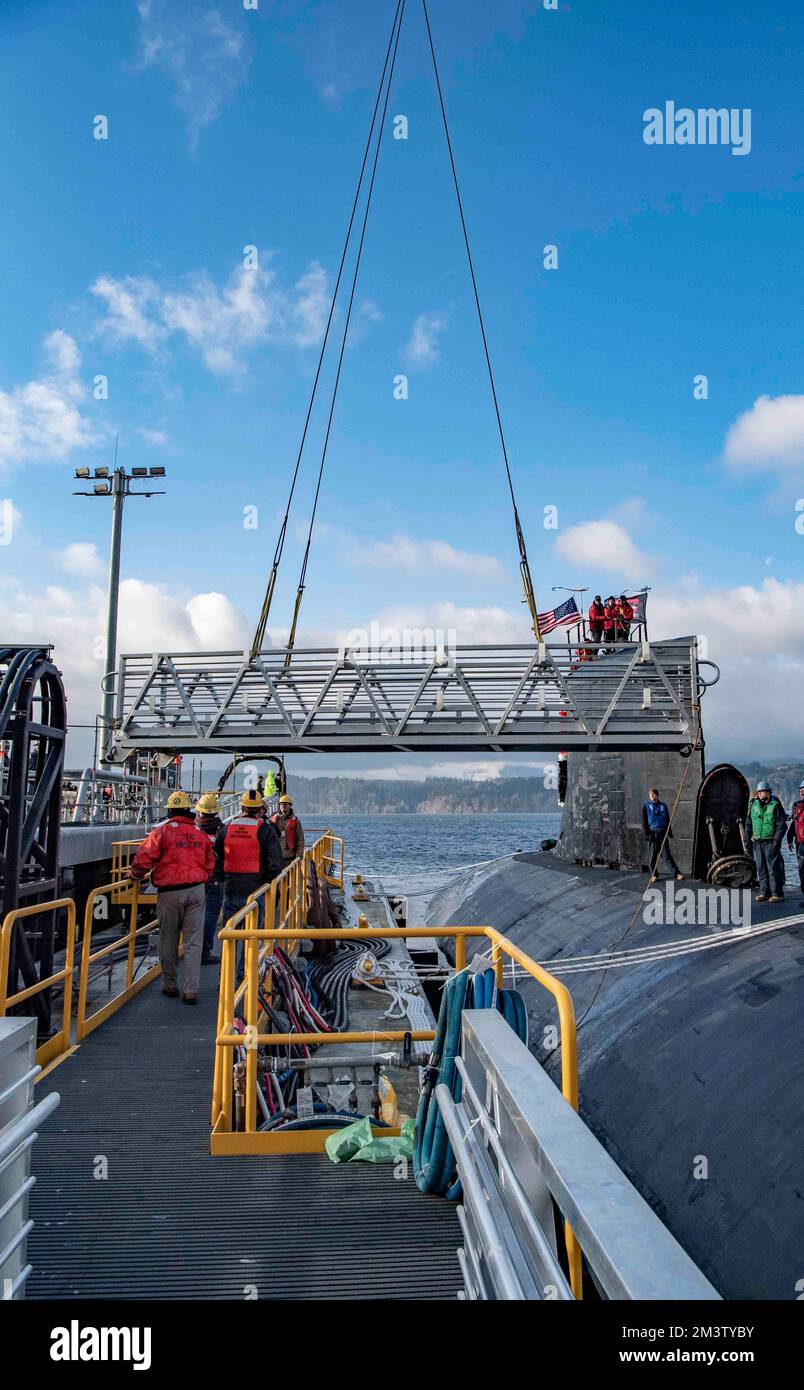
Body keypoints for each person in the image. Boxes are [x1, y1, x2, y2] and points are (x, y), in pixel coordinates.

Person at [127, 790, 214, 1004]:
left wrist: (135, 875)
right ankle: (191, 990)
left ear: (169, 810)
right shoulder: (200, 834)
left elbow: (144, 858)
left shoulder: (162, 832)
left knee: (169, 939)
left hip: (169, 892)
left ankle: (170, 984)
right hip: (196, 890)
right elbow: (210, 863)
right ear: (189, 810)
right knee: (194, 942)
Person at [216, 789, 283, 980]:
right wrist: (267, 881)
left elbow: (217, 857)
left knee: (230, 936)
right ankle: (243, 977)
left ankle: (225, 976)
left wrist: (223, 877)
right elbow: (275, 862)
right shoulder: (265, 830)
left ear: (242, 807)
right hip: (255, 890)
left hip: (231, 887)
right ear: (260, 809)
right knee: (251, 936)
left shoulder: (227, 828)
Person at [745, 779, 787, 903]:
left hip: (770, 842)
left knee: (773, 868)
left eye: (768, 791)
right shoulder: (753, 805)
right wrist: (747, 839)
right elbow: (749, 823)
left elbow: (781, 825)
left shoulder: (775, 805)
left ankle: (777, 893)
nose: (766, 793)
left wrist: (776, 841)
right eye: (763, 791)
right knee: (761, 868)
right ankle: (764, 892)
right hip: (757, 842)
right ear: (758, 793)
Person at [196, 792, 224, 964]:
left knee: (193, 914)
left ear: (200, 812)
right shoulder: (222, 831)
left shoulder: (193, 830)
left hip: (195, 878)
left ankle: (192, 949)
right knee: (211, 914)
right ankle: (205, 952)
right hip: (215, 878)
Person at [642, 788, 684, 879]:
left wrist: (669, 832)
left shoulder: (663, 806)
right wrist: (647, 834)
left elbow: (667, 819)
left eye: (653, 794)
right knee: (652, 858)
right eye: (650, 795)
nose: (652, 796)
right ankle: (654, 875)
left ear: (657, 795)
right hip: (653, 834)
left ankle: (676, 873)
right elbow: (644, 821)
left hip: (662, 834)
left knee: (667, 856)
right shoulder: (646, 805)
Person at [271, 792, 305, 865]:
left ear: (290, 806)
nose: (283, 805)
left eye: (286, 804)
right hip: (276, 857)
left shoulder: (295, 821)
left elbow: (300, 840)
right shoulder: (273, 820)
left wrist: (299, 856)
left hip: (290, 858)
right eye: (281, 804)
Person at [786, 780, 804, 897]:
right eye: (801, 790)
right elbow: (795, 823)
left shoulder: (797, 806)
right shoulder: (797, 806)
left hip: (800, 843)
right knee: (802, 871)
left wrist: (789, 838)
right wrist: (789, 839)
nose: (801, 791)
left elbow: (794, 823)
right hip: (800, 843)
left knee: (802, 870)